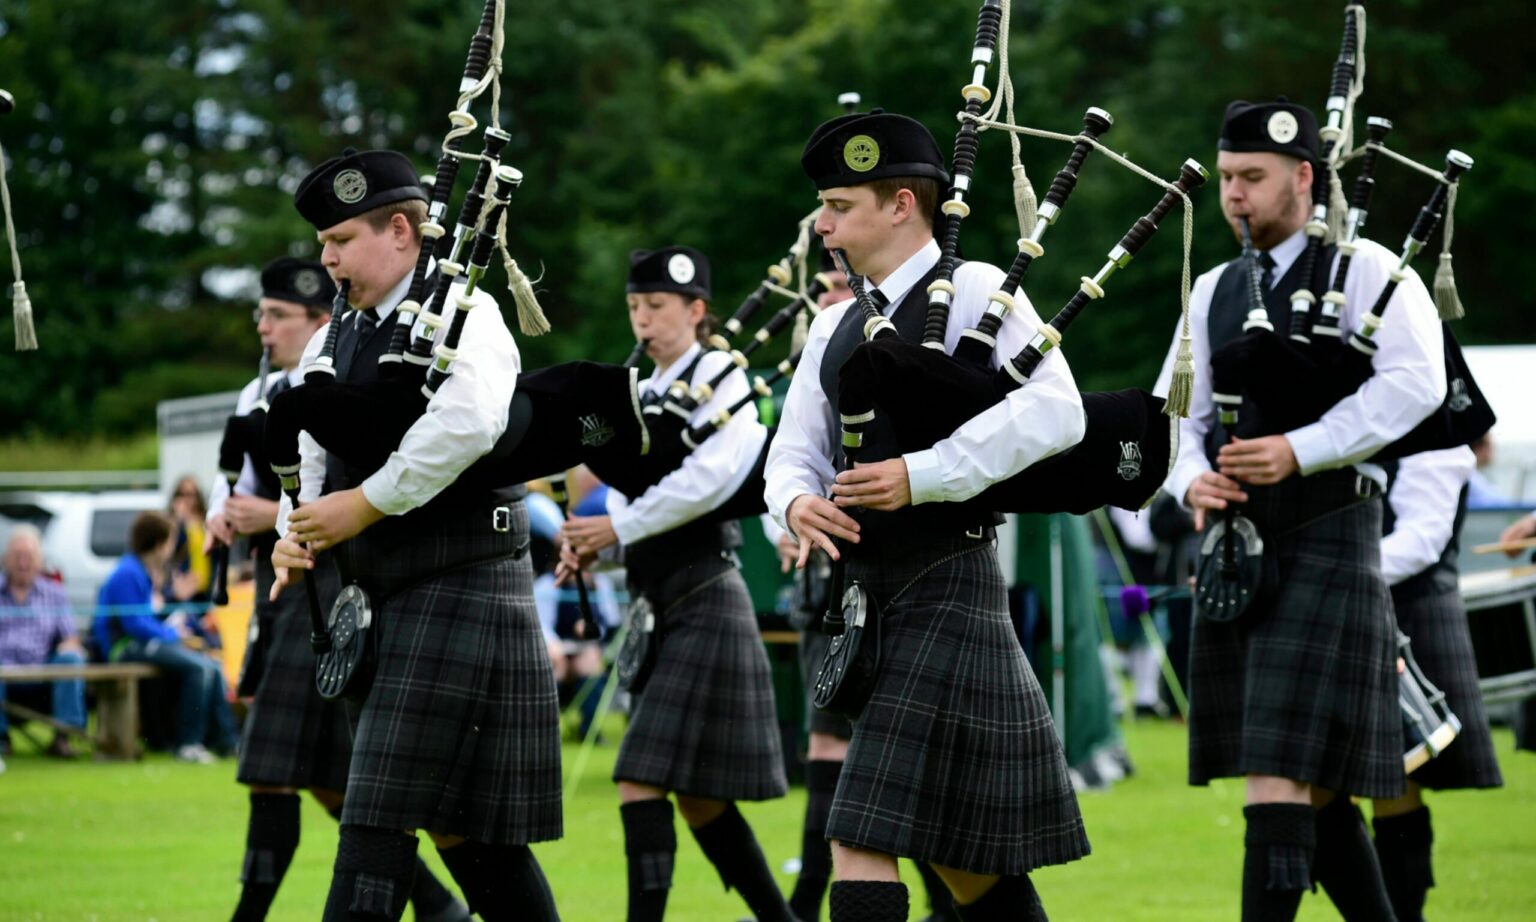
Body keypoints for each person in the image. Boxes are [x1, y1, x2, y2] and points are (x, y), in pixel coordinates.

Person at [764, 110, 1090, 922]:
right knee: (960, 859)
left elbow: (1060, 410)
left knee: (866, 835)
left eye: (840, 205)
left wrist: (924, 475)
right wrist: (798, 500)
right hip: (866, 600)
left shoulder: (981, 288)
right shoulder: (833, 326)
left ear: (902, 203)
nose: (824, 225)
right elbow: (791, 452)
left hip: (948, 583)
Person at [1156, 99, 1446, 921]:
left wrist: (1303, 447)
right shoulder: (1211, 289)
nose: (1236, 196)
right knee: (1308, 790)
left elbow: (1417, 386)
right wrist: (1190, 481)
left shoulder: (1369, 272)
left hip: (1330, 531)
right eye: (1226, 180)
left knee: (1277, 772)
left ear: (1304, 178)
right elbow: (1177, 415)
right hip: (1239, 553)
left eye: (1253, 178)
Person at [270, 148, 561, 921]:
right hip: (381, 592)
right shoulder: (332, 339)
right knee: (470, 835)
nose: (327, 259)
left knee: (377, 816)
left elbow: (469, 423)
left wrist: (364, 504)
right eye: (323, 245)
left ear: (400, 230)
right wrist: (290, 529)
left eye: (340, 241)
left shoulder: (468, 311)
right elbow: (308, 442)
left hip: (462, 580)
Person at [208, 257, 471, 922]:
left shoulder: (346, 376)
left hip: (335, 580)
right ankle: (437, 905)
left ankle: (433, 903)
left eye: (278, 317)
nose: (264, 329)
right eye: (260, 315)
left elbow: (331, 490)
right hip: (287, 583)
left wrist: (270, 518)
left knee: (319, 778)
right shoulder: (253, 394)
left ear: (316, 320)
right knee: (303, 774)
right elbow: (234, 479)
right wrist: (226, 512)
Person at [559, 245, 794, 922]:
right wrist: (591, 546)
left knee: (639, 776)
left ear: (696, 311)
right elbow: (633, 495)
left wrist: (615, 526)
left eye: (657, 307)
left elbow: (709, 481)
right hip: (655, 600)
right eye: (635, 307)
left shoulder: (724, 376)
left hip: (704, 594)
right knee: (698, 798)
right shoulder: (640, 391)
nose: (644, 322)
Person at [1373, 446, 1503, 922]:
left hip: (1412, 602)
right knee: (1315, 781)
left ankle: (1406, 913)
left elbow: (1423, 538)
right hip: (1340, 599)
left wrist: (1334, 570)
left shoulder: (1436, 431)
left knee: (1399, 775)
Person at [92, 510, 239, 764]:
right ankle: (187, 744)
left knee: (212, 665)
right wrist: (173, 634)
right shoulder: (128, 572)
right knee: (200, 669)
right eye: (171, 540)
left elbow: (147, 618)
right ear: (159, 543)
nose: (173, 547)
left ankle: (226, 742)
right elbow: (134, 624)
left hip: (142, 642)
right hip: (123, 648)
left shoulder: (141, 570)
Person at [0, 525, 86, 759]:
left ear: (39, 561)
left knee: (71, 659)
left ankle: (63, 737)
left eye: (28, 557)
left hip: (43, 673)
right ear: (6, 560)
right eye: (18, 557)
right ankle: (1, 740)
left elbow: (70, 637)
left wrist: (69, 645)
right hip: (3, 675)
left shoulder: (54, 593)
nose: (23, 563)